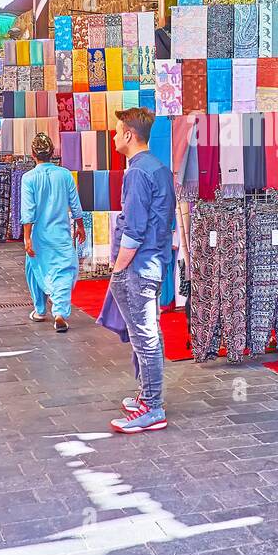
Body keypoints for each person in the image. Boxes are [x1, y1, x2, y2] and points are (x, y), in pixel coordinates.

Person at [106, 108, 177, 435]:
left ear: (129, 135)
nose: (115, 136)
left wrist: (118, 269)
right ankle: (148, 398)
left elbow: (134, 228)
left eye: (119, 130)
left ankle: (152, 406)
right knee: (150, 334)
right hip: (154, 260)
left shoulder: (137, 173)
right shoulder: (159, 168)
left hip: (138, 264)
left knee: (145, 337)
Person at [19, 133, 85, 332]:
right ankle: (60, 312)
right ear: (52, 154)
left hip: (39, 235)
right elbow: (75, 204)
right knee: (63, 271)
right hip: (61, 234)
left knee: (35, 268)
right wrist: (80, 226)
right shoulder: (64, 174)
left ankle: (40, 310)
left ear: (33, 154)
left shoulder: (28, 178)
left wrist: (26, 237)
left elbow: (27, 210)